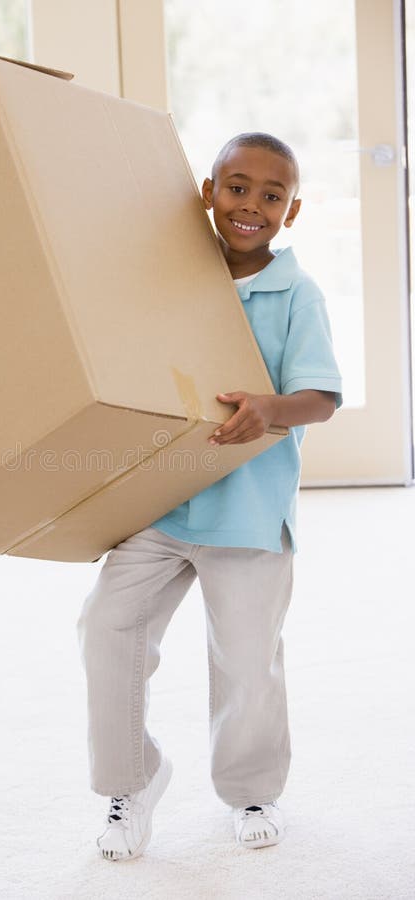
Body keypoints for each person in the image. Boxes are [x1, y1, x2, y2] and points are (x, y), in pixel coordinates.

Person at [76, 132, 343, 860]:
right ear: (207, 192)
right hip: (160, 504)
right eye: (238, 186)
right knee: (107, 627)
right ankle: (131, 781)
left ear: (290, 213)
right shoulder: (168, 276)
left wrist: (271, 408)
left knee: (247, 662)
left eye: (271, 195)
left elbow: (320, 397)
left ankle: (252, 789)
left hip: (248, 512)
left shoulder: (298, 293)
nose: (251, 205)